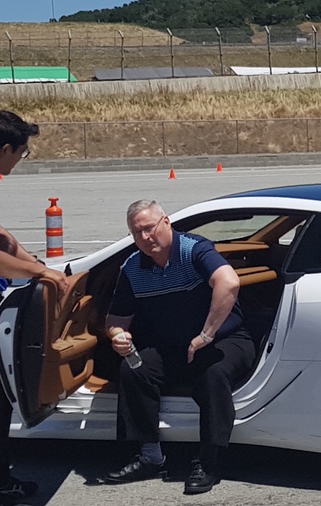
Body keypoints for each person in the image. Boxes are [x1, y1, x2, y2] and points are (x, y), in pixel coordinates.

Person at [101, 200, 255, 495]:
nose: (146, 238)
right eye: (137, 233)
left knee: (213, 375)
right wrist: (118, 335)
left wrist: (207, 334)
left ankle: (208, 462)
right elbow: (116, 319)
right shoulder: (133, 267)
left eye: (149, 228)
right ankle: (149, 455)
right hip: (174, 347)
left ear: (166, 223)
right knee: (135, 369)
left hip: (225, 340)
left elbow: (229, 282)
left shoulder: (194, 250)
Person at [0, 110, 67, 506]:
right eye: (21, 152)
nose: (21, 158)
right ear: (4, 149)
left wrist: (35, 262)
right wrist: (42, 273)